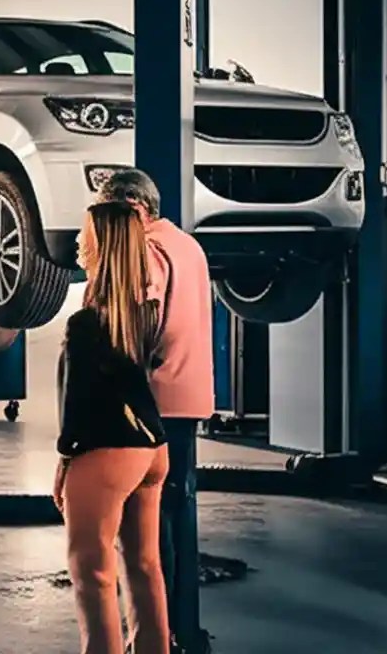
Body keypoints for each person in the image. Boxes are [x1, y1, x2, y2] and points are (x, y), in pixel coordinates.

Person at [96, 170, 214, 654]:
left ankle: (156, 636)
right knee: (180, 514)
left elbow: (143, 321)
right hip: (189, 399)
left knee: (147, 527)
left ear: (135, 209)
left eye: (109, 216)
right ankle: (187, 631)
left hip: (153, 401)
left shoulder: (146, 250)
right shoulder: (190, 245)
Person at [54, 198, 171, 654]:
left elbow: (77, 403)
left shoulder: (86, 324)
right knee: (145, 565)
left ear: (103, 247)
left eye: (86, 234)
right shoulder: (141, 315)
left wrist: (65, 459)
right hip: (153, 449)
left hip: (106, 453)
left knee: (92, 571)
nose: (79, 242)